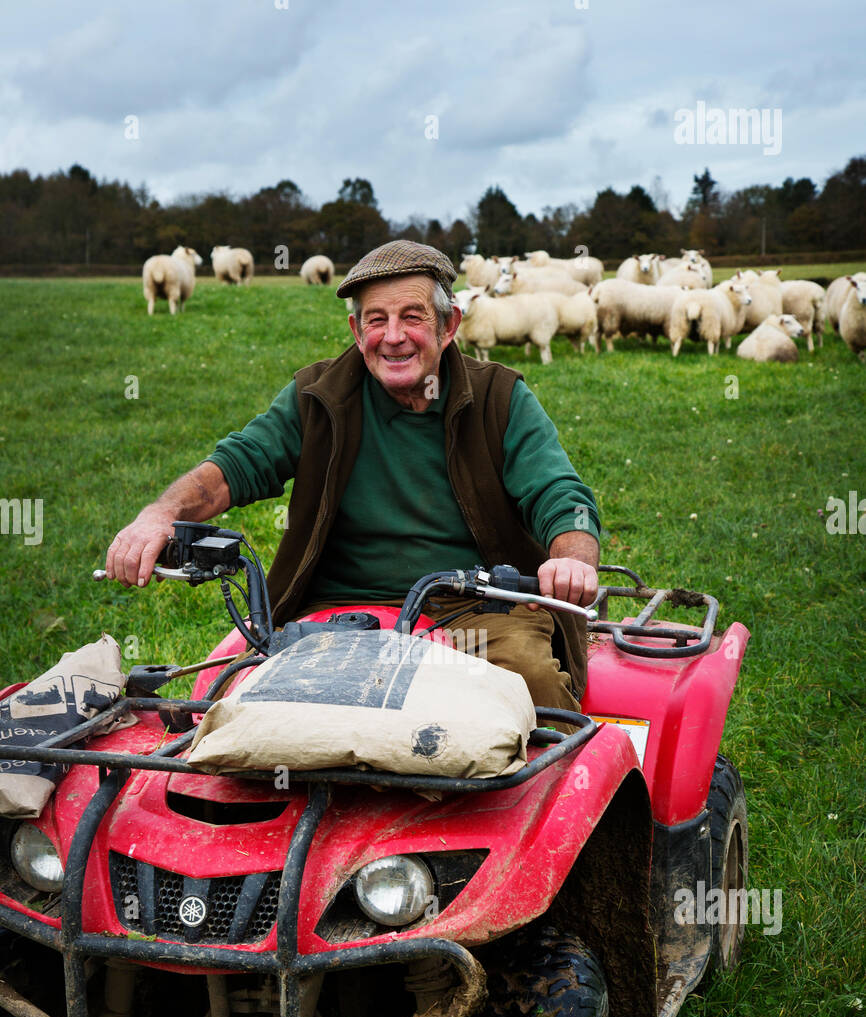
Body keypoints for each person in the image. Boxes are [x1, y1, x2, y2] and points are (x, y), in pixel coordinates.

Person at [106, 240, 600, 711]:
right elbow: (237, 463)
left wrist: (572, 558)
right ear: (356, 331)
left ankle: (538, 795)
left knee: (527, 686)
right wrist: (162, 515)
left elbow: (559, 493)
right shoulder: (319, 395)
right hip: (336, 610)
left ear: (449, 325)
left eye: (412, 317)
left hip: (476, 607)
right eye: (376, 320)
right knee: (228, 700)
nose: (393, 336)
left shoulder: (499, 397)